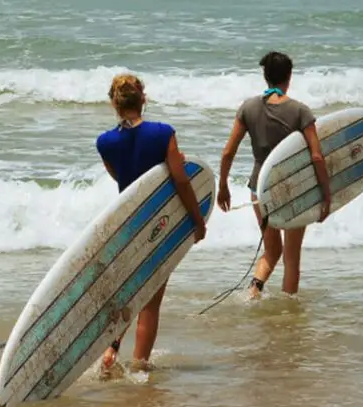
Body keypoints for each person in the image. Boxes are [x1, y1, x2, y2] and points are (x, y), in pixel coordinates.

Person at [95, 73, 207, 373]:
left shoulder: (105, 142)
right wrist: (197, 221)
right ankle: (139, 367)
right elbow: (180, 181)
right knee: (150, 302)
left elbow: (122, 179)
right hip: (161, 225)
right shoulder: (163, 133)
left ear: (114, 104)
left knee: (129, 291)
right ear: (143, 98)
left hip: (129, 226)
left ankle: (111, 349)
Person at [217, 52, 331, 300]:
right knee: (291, 259)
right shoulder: (301, 112)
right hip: (294, 190)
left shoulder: (248, 108)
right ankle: (288, 318)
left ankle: (254, 291)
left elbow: (228, 152)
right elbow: (317, 156)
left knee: (271, 250)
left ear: (265, 76)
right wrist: (326, 194)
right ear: (289, 77)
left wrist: (223, 186)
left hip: (261, 188)